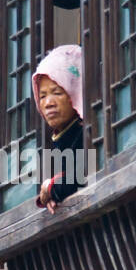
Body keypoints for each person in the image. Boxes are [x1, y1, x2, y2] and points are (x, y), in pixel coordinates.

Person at [32, 44, 85, 212]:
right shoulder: (61, 138)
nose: (48, 103)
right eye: (42, 96)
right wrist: (51, 192)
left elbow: (83, 174)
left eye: (57, 93)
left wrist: (51, 187)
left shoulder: (86, 132)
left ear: (75, 93)